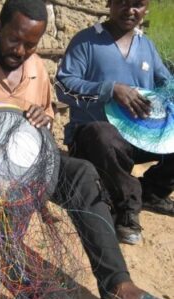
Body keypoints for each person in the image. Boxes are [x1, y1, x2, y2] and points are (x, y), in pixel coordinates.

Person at [0, 0, 159, 299]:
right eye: (14, 39)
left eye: (31, 45)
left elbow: (46, 115)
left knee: (81, 173)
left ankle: (118, 284)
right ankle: (48, 294)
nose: (20, 51)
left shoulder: (35, 67)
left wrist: (42, 120)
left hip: (30, 166)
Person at [55, 0, 174, 245]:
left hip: (139, 135)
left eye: (137, 4)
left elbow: (164, 84)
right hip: (93, 138)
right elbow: (64, 87)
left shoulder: (146, 46)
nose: (130, 10)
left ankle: (152, 191)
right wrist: (111, 90)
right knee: (104, 133)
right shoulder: (86, 41)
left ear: (146, 7)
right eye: (123, 2)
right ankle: (127, 209)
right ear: (109, 3)